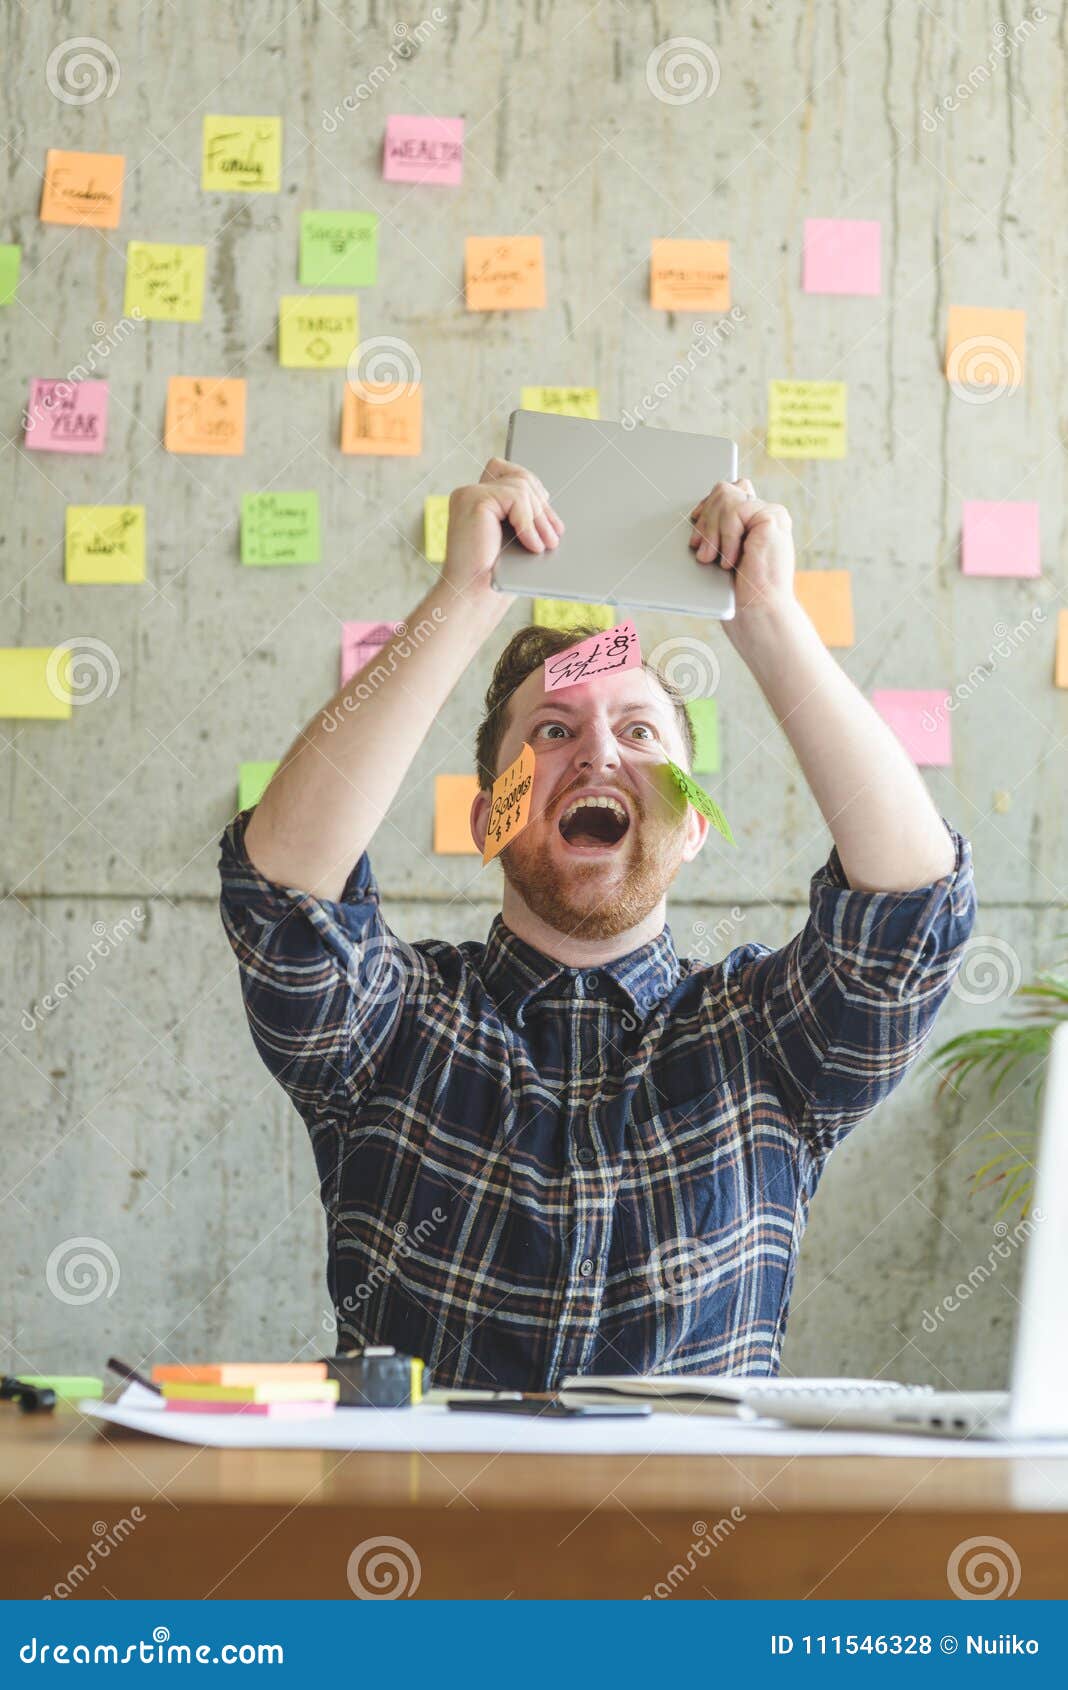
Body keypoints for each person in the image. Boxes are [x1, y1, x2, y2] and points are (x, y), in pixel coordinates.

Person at [218, 459, 976, 1390]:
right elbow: (284, 888)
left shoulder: (766, 1039)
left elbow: (910, 908)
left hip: (696, 1535)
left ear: (693, 824)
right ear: (486, 819)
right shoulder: (392, 1027)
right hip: (421, 1535)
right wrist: (465, 597)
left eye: (643, 732)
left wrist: (770, 620)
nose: (599, 753)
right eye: (550, 732)